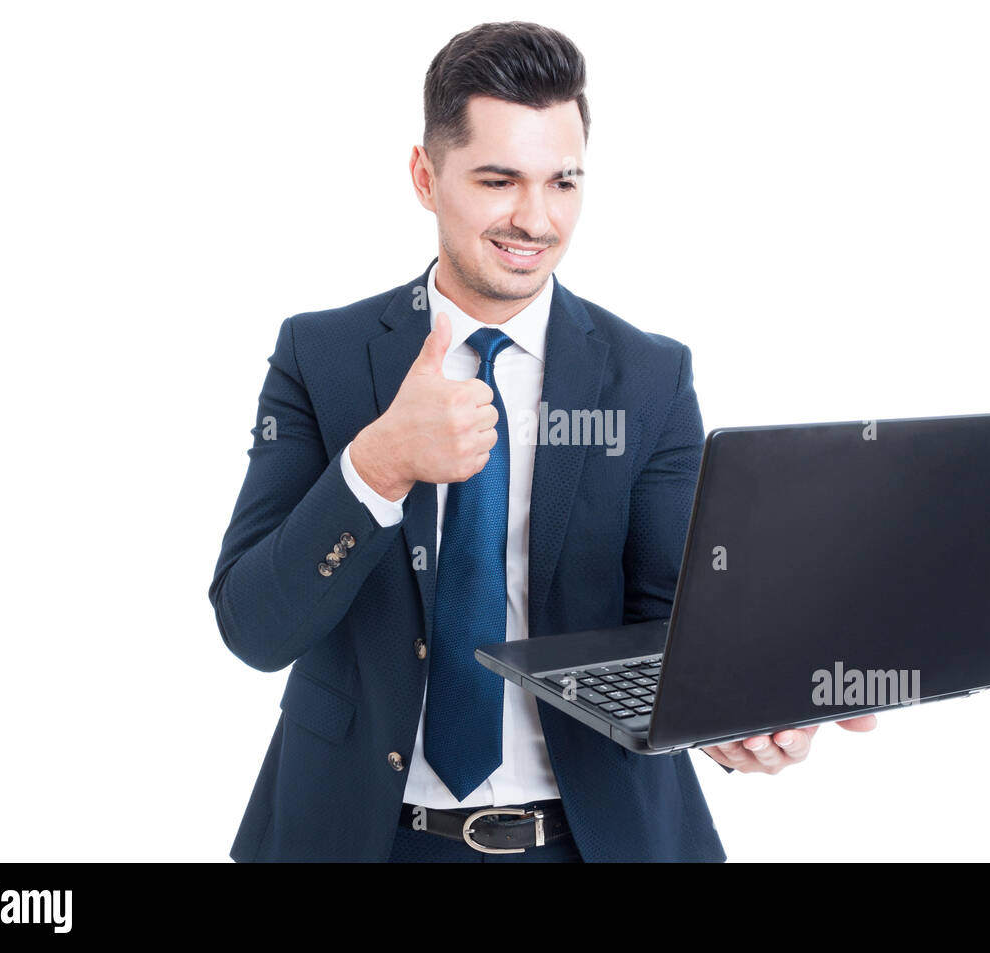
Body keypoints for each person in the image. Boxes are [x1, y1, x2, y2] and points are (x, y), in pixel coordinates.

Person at [208, 20, 874, 863]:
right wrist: (379, 465)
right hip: (364, 837)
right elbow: (252, 628)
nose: (536, 218)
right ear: (424, 175)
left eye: (563, 182)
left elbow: (676, 628)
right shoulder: (323, 357)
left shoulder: (649, 377)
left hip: (593, 840)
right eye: (498, 179)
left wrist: (737, 721)